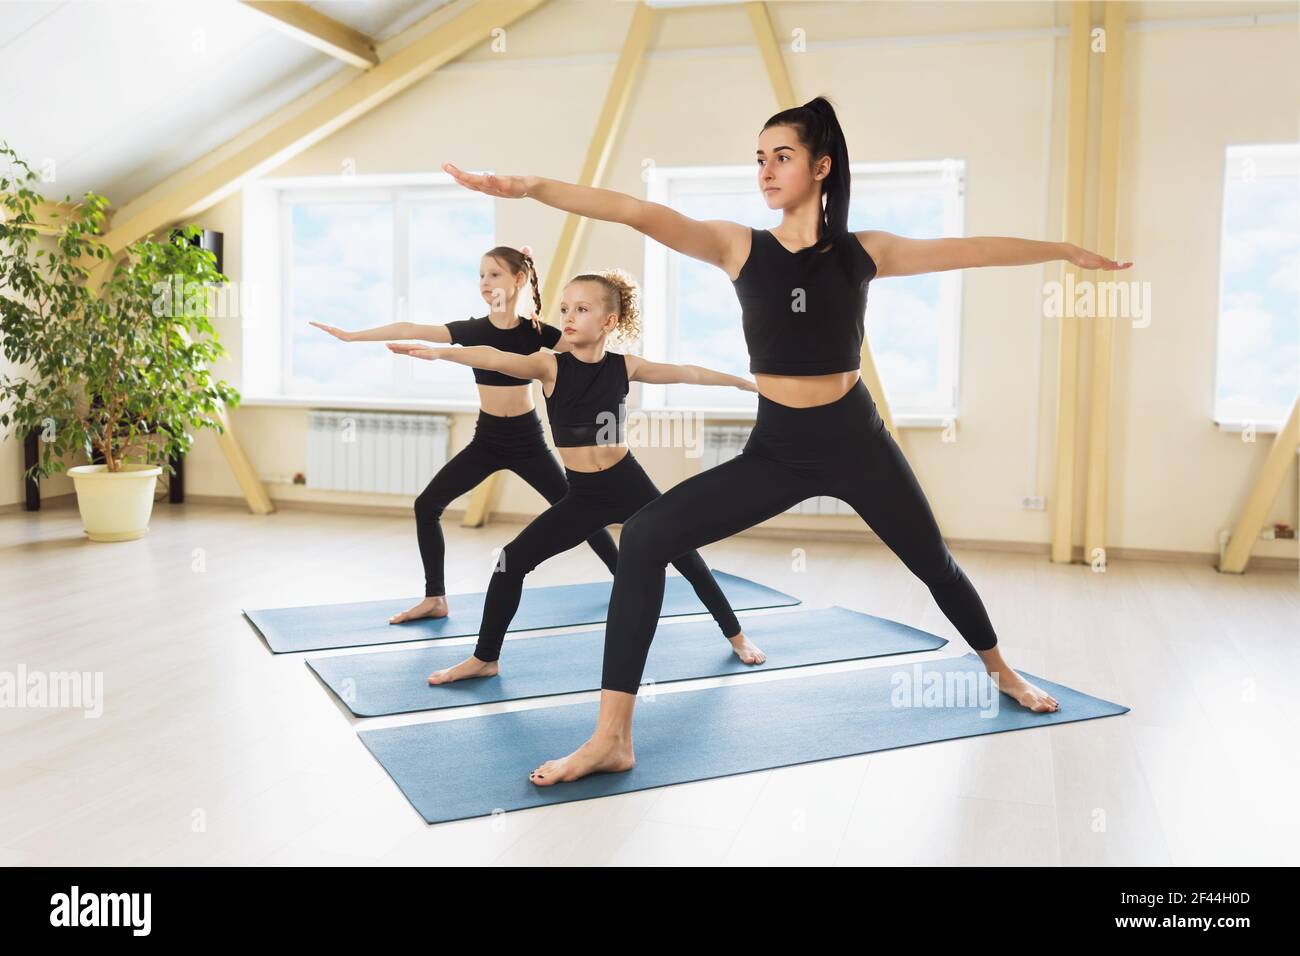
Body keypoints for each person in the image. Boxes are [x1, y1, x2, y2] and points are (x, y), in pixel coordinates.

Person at [440, 95, 1133, 785]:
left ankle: (1001, 670)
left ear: (822, 167)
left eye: (783, 157)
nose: (767, 171)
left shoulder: (865, 252)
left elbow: (975, 250)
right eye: (760, 159)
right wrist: (527, 186)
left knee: (935, 564)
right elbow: (636, 210)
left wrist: (1062, 251)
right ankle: (611, 738)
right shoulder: (739, 246)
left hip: (856, 442)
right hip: (777, 449)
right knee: (647, 535)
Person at [388, 267, 768, 683]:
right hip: (585, 494)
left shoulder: (625, 366)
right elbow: (494, 357)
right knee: (509, 562)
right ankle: (485, 658)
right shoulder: (549, 365)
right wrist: (442, 352)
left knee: (687, 558)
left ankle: (737, 636)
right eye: (565, 308)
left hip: (628, 482)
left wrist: (740, 383)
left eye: (582, 309)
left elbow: (687, 372)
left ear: (609, 321)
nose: (568, 316)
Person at [310, 244, 619, 624]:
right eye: (481, 275)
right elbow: (410, 328)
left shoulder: (538, 334)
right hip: (487, 439)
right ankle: (435, 597)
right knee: (427, 505)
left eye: (494, 274)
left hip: (528, 441)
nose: (485, 283)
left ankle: (625, 578)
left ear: (518, 279)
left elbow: (593, 353)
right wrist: (352, 336)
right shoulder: (473, 330)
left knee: (579, 508)